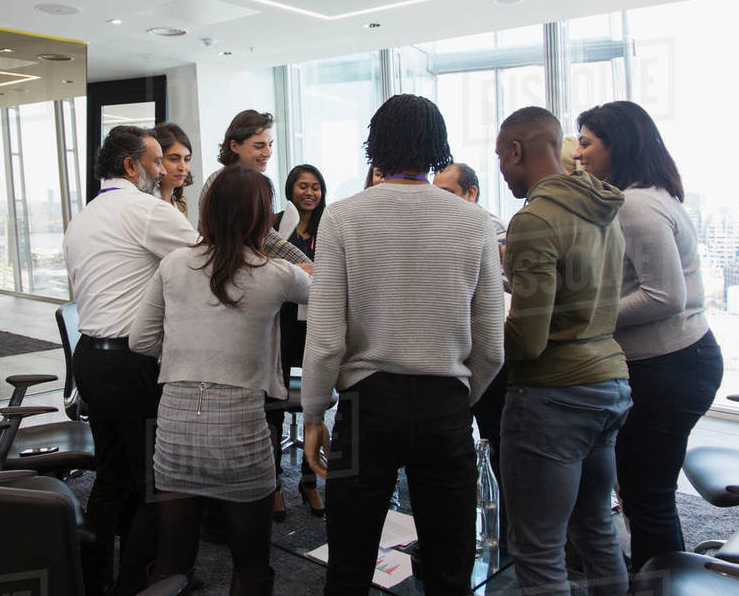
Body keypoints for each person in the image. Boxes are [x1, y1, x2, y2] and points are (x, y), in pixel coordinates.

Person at [302, 94, 505, 596]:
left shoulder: (343, 217)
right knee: (449, 566)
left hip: (362, 407)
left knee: (348, 563)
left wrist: (311, 414)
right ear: (438, 147)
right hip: (447, 408)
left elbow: (326, 339)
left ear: (377, 146)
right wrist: (461, 394)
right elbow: (492, 347)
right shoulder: (475, 222)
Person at [131, 165, 310, 596]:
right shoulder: (277, 275)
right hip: (239, 429)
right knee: (250, 565)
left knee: (171, 561)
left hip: (174, 423)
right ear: (262, 218)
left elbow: (140, 341)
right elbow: (329, 288)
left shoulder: (175, 264)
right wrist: (272, 245)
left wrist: (184, 354)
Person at [575, 101, 723, 571]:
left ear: (618, 145)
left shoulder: (636, 206)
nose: (577, 155)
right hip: (673, 362)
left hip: (670, 366)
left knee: (646, 494)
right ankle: (666, 576)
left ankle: (661, 581)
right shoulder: (646, 197)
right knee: (645, 491)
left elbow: (664, 297)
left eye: (586, 143)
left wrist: (589, 318)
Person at [494, 106, 632, 596]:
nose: (502, 173)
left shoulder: (533, 220)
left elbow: (529, 341)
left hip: (555, 394)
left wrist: (482, 344)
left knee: (538, 548)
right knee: (596, 529)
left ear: (516, 151)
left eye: (500, 159)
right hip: (609, 383)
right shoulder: (604, 210)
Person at [63, 126, 200, 596]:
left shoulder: (85, 214)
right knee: (156, 481)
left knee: (112, 477)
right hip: (131, 364)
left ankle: (94, 580)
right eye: (158, 161)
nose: (165, 171)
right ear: (130, 166)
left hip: (91, 361)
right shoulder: (145, 209)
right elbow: (208, 261)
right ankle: (133, 585)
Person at [432, 162, 511, 502]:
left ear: (471, 193)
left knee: (495, 439)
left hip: (486, 352)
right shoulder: (439, 228)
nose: (439, 202)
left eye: (447, 194)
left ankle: (501, 525)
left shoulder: (491, 230)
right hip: (451, 352)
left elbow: (502, 294)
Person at [270, 164, 327, 519]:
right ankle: (273, 484)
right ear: (291, 190)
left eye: (316, 187)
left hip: (317, 323)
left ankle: (309, 481)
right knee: (273, 402)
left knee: (314, 403)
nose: (309, 193)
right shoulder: (276, 225)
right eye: (303, 186)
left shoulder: (330, 225)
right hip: (281, 321)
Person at [200, 110, 310, 267]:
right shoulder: (219, 184)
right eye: (259, 146)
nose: (268, 152)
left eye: (270, 145)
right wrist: (306, 267)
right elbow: (268, 239)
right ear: (234, 146)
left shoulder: (257, 183)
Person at [154, 122, 194, 217]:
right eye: (174, 159)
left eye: (187, 159)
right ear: (156, 160)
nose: (182, 167)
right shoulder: (146, 204)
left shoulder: (180, 203)